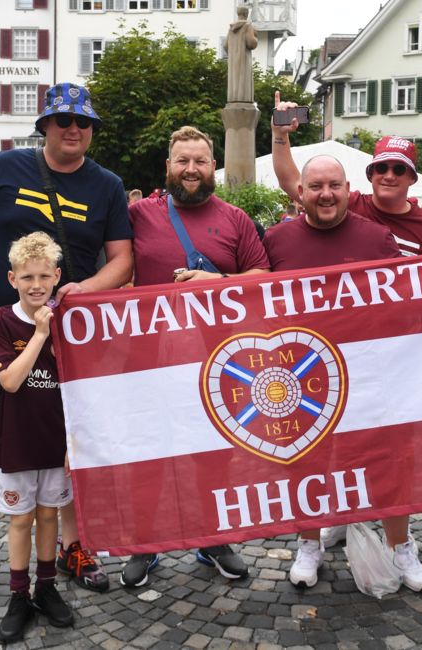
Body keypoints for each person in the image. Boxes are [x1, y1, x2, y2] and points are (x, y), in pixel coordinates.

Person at [0, 82, 133, 614]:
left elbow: (122, 260)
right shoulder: (5, 170)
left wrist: (83, 290)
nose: (74, 129)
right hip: (0, 330)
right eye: (63, 120)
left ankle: (73, 547)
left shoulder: (108, 185)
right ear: (44, 126)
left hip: (74, 340)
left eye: (83, 122)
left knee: (70, 444)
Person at [263, 155, 422, 592]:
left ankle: (401, 547)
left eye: (334, 185)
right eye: (316, 186)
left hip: (369, 371)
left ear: (347, 188)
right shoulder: (277, 239)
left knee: (389, 461)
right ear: (301, 192)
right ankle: (309, 543)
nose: (325, 194)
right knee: (306, 461)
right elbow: (254, 301)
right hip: (301, 377)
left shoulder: (377, 237)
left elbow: (403, 300)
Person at [126, 125, 269, 586]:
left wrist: (220, 283)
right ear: (167, 167)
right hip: (149, 359)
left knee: (215, 455)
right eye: (183, 161)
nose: (191, 169)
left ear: (214, 167)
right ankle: (144, 545)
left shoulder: (235, 219)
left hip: (218, 361)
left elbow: (262, 279)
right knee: (147, 450)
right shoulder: (137, 215)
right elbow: (110, 267)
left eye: (200, 161)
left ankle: (213, 538)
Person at [0, 232, 74, 642]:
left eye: (43, 276)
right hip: (18, 441)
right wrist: (40, 335)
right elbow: (10, 381)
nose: (36, 285)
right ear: (11, 279)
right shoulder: (1, 321)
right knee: (20, 519)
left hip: (55, 439)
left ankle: (46, 586)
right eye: (27, 277)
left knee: (48, 517)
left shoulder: (69, 319)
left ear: (57, 276)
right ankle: (18, 595)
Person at [273, 106, 422, 259]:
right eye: (382, 168)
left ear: (412, 178)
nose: (389, 176)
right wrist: (280, 135)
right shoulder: (346, 203)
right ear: (371, 174)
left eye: (399, 170)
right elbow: (291, 181)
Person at [226, 5, 258, 103]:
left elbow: (225, 45)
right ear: (246, 14)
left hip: (233, 62)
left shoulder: (231, 29)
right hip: (244, 61)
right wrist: (255, 37)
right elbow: (251, 43)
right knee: (244, 83)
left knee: (234, 83)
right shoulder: (248, 26)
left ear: (238, 14)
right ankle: (244, 100)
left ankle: (234, 99)